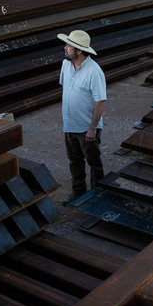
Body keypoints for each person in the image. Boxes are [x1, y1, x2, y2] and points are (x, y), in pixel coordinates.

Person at [57, 29, 106, 204]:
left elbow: (100, 102)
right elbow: (68, 90)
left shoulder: (94, 71)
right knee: (74, 161)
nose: (65, 47)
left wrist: (92, 128)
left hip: (87, 128)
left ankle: (98, 194)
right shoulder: (65, 65)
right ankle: (78, 192)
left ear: (78, 50)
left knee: (93, 162)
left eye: (68, 45)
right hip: (70, 125)